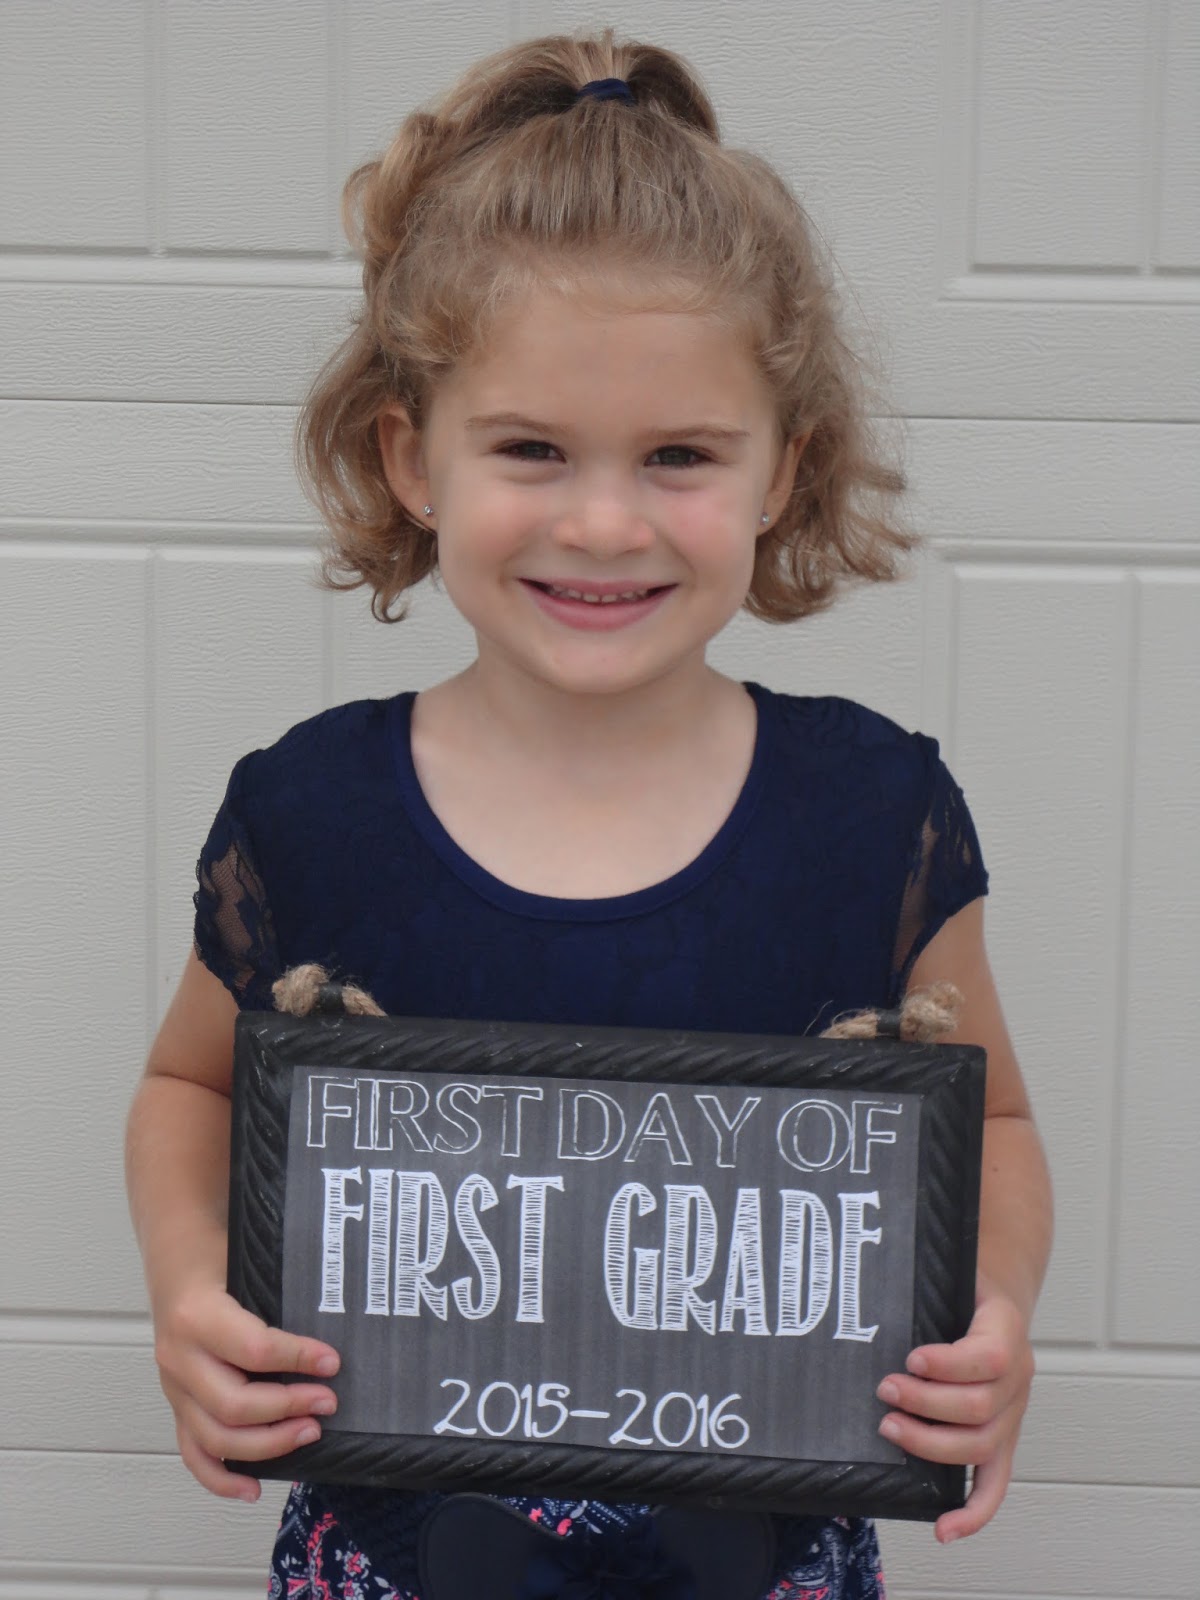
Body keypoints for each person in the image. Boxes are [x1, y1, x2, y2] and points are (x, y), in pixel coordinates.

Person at [125, 29, 1053, 1600]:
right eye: (532, 450)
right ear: (412, 459)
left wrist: (999, 1317)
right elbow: (188, 1088)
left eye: (680, 455)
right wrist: (188, 1287)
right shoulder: (312, 811)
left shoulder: (872, 816)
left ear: (782, 472)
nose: (605, 520)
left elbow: (997, 1125)